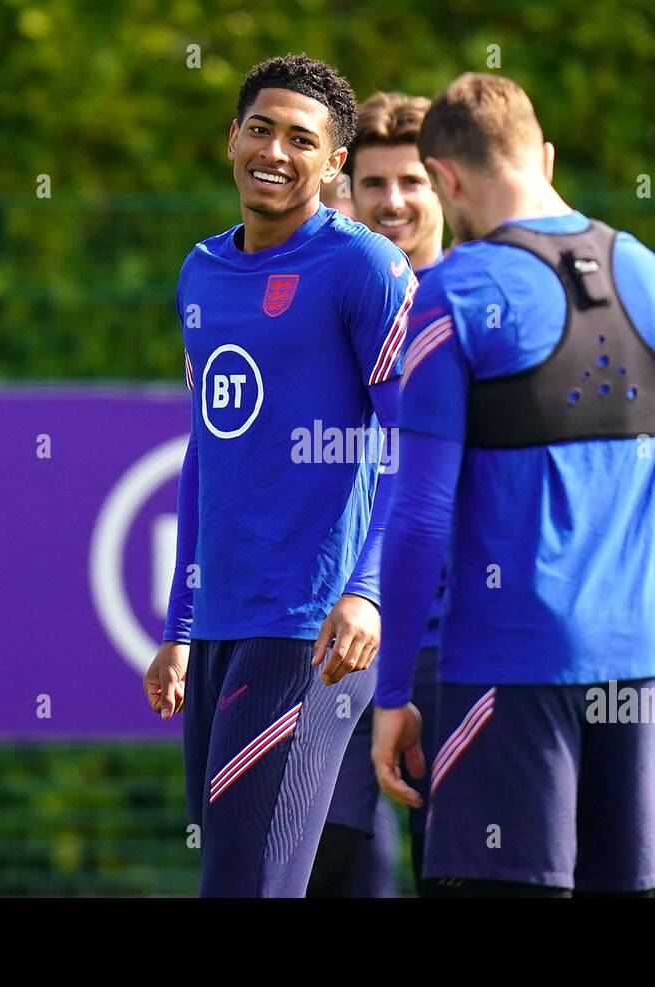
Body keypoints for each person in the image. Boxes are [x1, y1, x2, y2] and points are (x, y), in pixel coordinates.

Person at [372, 73, 655, 897]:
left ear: (445, 178)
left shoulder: (459, 291)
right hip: (641, 666)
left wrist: (394, 691)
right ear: (544, 155)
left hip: (512, 667)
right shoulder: (648, 273)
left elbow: (419, 515)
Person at [143, 53, 416, 897]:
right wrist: (181, 624)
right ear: (231, 138)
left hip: (312, 630)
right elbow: (207, 451)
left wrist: (368, 588)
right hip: (223, 622)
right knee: (239, 868)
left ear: (335, 163)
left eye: (303, 139)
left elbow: (421, 442)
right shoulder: (201, 272)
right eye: (260, 128)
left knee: (250, 879)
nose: (275, 150)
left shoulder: (364, 268)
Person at [308, 91, 446, 898]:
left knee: (455, 863)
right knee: (337, 864)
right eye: (374, 184)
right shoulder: (332, 305)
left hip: (448, 638)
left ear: (446, 186)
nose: (392, 201)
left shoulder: (477, 301)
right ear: (346, 191)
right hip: (334, 638)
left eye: (413, 182)